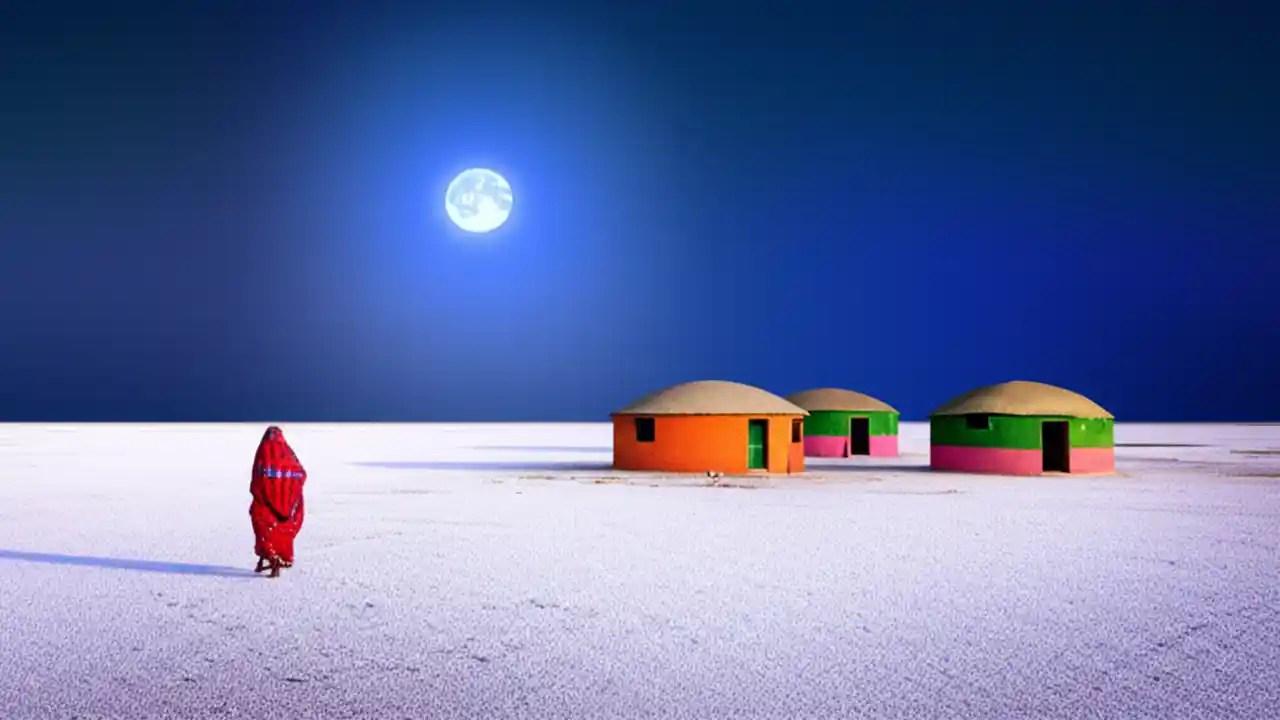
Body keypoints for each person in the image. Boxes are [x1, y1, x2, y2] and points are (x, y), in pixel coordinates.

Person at [248, 426, 307, 578]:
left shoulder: (264, 449)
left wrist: (259, 494)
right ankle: (280, 556)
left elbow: (258, 474)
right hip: (287, 506)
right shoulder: (288, 452)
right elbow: (302, 473)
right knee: (283, 528)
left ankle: (271, 554)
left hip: (267, 503)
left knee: (263, 523)